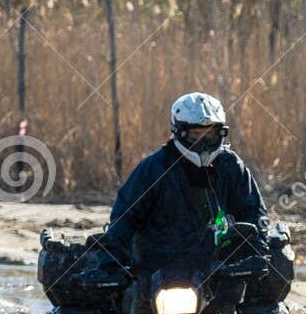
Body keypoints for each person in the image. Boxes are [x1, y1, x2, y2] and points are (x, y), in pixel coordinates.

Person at [101, 92, 267, 271]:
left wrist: (258, 254)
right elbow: (125, 217)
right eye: (195, 134)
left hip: (220, 269)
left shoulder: (231, 165)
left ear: (220, 133)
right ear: (179, 132)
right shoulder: (155, 167)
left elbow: (254, 214)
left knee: (270, 284)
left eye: (209, 135)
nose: (203, 142)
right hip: (157, 270)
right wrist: (111, 262)